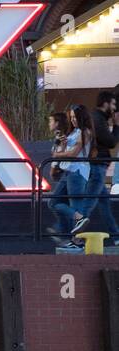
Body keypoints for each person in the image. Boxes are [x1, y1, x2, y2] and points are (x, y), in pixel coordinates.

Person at [75, 91, 119, 241]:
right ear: (105, 103)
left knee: (104, 205)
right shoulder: (97, 119)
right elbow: (111, 141)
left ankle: (116, 236)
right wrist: (117, 126)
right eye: (113, 104)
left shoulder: (99, 119)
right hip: (97, 165)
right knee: (89, 203)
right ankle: (72, 237)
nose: (114, 107)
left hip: (98, 165)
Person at [49, 105, 94, 243]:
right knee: (53, 202)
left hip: (77, 171)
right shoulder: (75, 132)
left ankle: (75, 240)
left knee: (75, 205)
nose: (73, 120)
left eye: (75, 117)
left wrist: (57, 154)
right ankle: (75, 224)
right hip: (68, 171)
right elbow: (65, 152)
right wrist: (62, 146)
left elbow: (74, 153)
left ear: (82, 117)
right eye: (72, 117)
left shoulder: (85, 132)